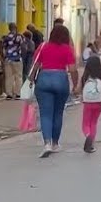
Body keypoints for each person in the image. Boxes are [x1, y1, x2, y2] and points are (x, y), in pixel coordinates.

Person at [31, 24, 79, 158]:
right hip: (60, 79)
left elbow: (35, 65)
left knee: (45, 114)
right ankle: (55, 143)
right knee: (58, 113)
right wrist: (75, 85)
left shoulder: (43, 47)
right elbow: (73, 69)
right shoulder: (67, 49)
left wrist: (30, 80)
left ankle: (47, 144)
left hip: (44, 79)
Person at [79, 55, 101, 154]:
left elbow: (81, 90)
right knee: (94, 122)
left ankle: (88, 135)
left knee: (86, 123)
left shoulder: (85, 77)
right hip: (98, 103)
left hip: (88, 103)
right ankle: (91, 144)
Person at [0, 23, 26, 99]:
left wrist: (3, 57)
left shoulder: (5, 37)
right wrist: (22, 56)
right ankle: (17, 93)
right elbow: (24, 47)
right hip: (17, 58)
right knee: (18, 76)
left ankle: (9, 94)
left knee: (9, 77)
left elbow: (2, 47)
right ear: (16, 28)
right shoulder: (20, 37)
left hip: (8, 59)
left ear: (9, 28)